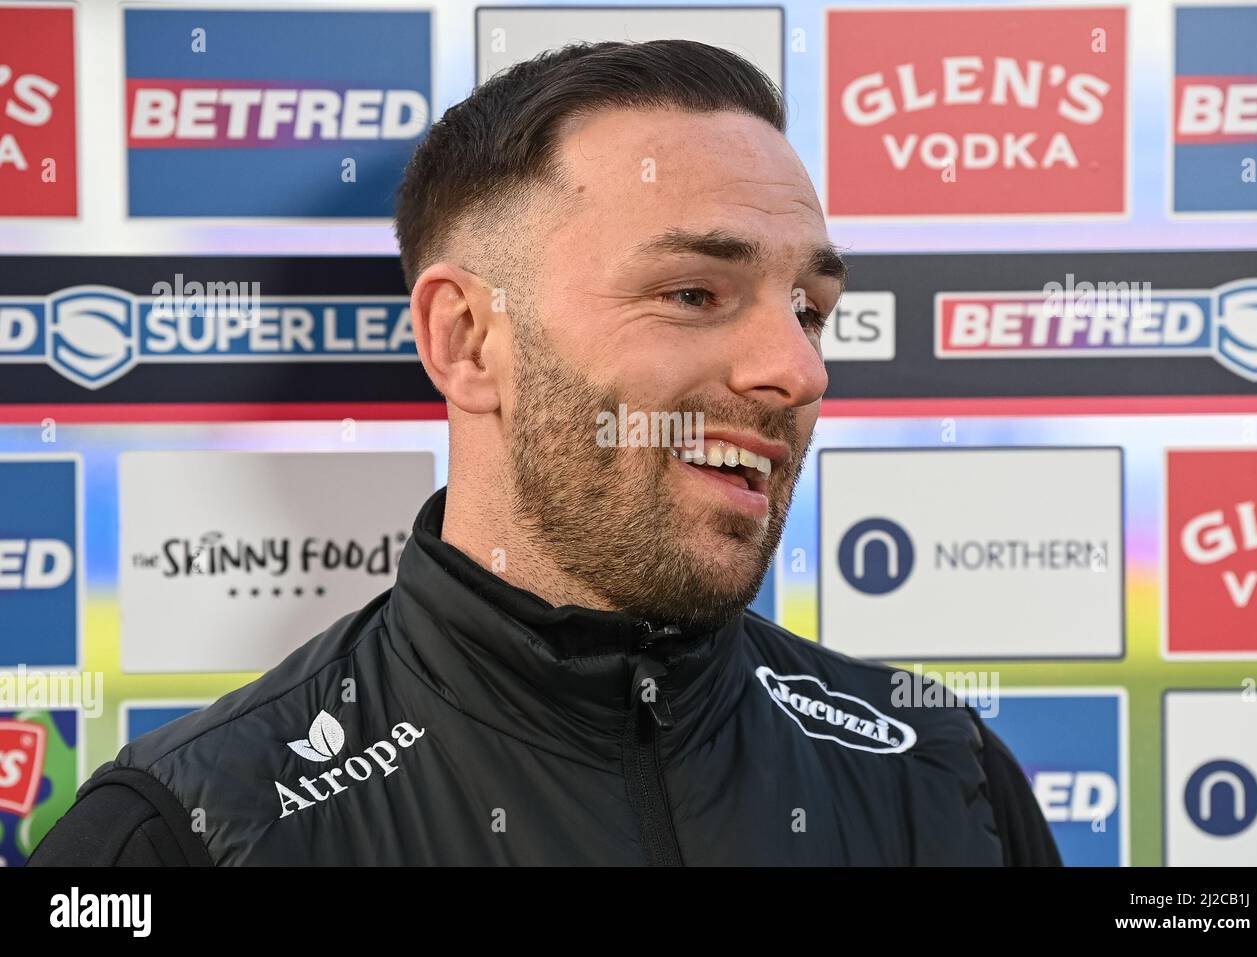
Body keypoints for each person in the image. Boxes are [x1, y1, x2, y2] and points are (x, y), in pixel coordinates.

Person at [28, 39, 1059, 866]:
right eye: (693, 293)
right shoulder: (185, 831)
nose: (796, 370)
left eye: (808, 308)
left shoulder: (943, 773)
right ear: (469, 341)